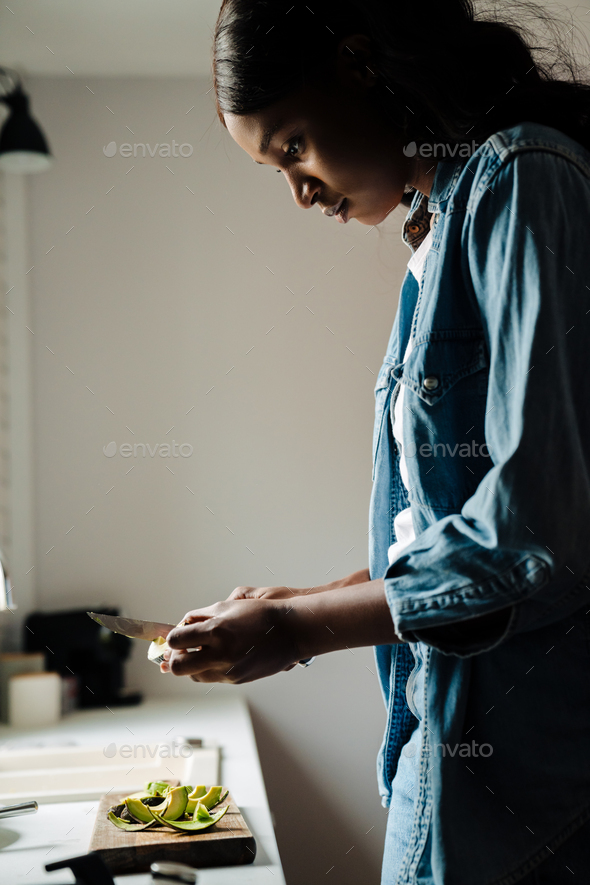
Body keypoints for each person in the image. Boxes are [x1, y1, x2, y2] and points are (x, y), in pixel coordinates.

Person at [159, 1, 590, 881]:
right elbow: (453, 527)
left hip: (528, 806)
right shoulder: (434, 239)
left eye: (292, 148)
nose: (301, 191)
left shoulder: (522, 178)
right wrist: (313, 596)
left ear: (361, 64)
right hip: (445, 760)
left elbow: (537, 533)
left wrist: (294, 624)